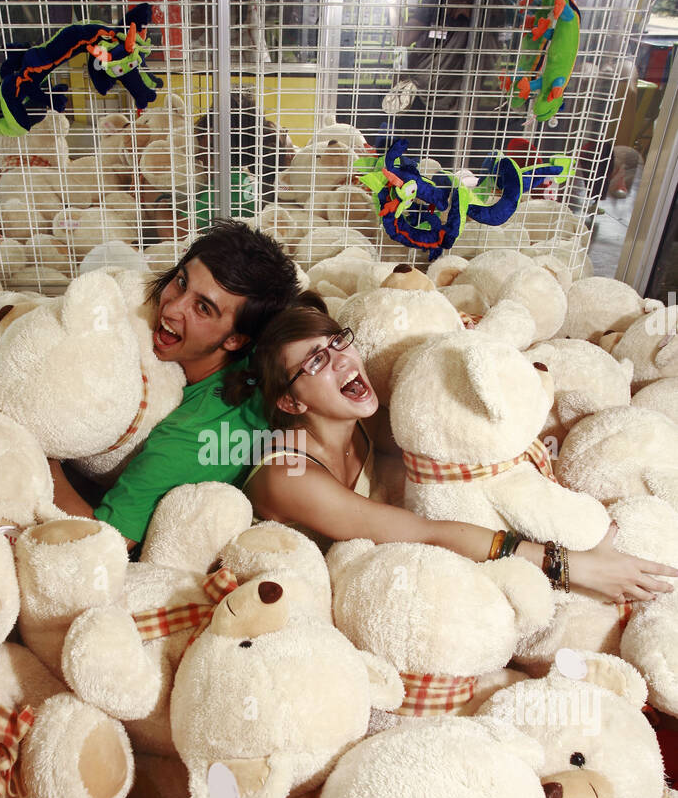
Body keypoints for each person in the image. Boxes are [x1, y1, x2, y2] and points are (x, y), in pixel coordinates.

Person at [234, 294, 678, 602]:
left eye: (335, 343)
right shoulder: (290, 475)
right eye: (315, 361)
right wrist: (572, 567)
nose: (341, 360)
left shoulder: (369, 426)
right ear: (291, 401)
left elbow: (455, 451)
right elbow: (425, 532)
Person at [50, 219, 301, 549]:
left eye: (202, 308)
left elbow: (102, 543)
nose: (171, 308)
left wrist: (43, 455)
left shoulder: (188, 438)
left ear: (236, 339)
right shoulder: (268, 347)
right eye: (181, 282)